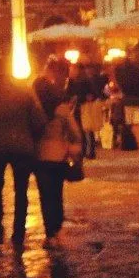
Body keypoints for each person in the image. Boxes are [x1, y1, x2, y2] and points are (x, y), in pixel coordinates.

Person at [0, 72, 47, 248]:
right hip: (22, 147)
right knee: (21, 190)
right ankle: (19, 230)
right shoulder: (25, 91)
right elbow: (39, 121)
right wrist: (31, 138)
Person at [35, 87, 82, 248]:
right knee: (57, 194)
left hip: (40, 156)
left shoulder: (35, 108)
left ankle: (50, 234)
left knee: (45, 196)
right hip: (59, 156)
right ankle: (58, 227)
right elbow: (75, 132)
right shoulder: (62, 110)